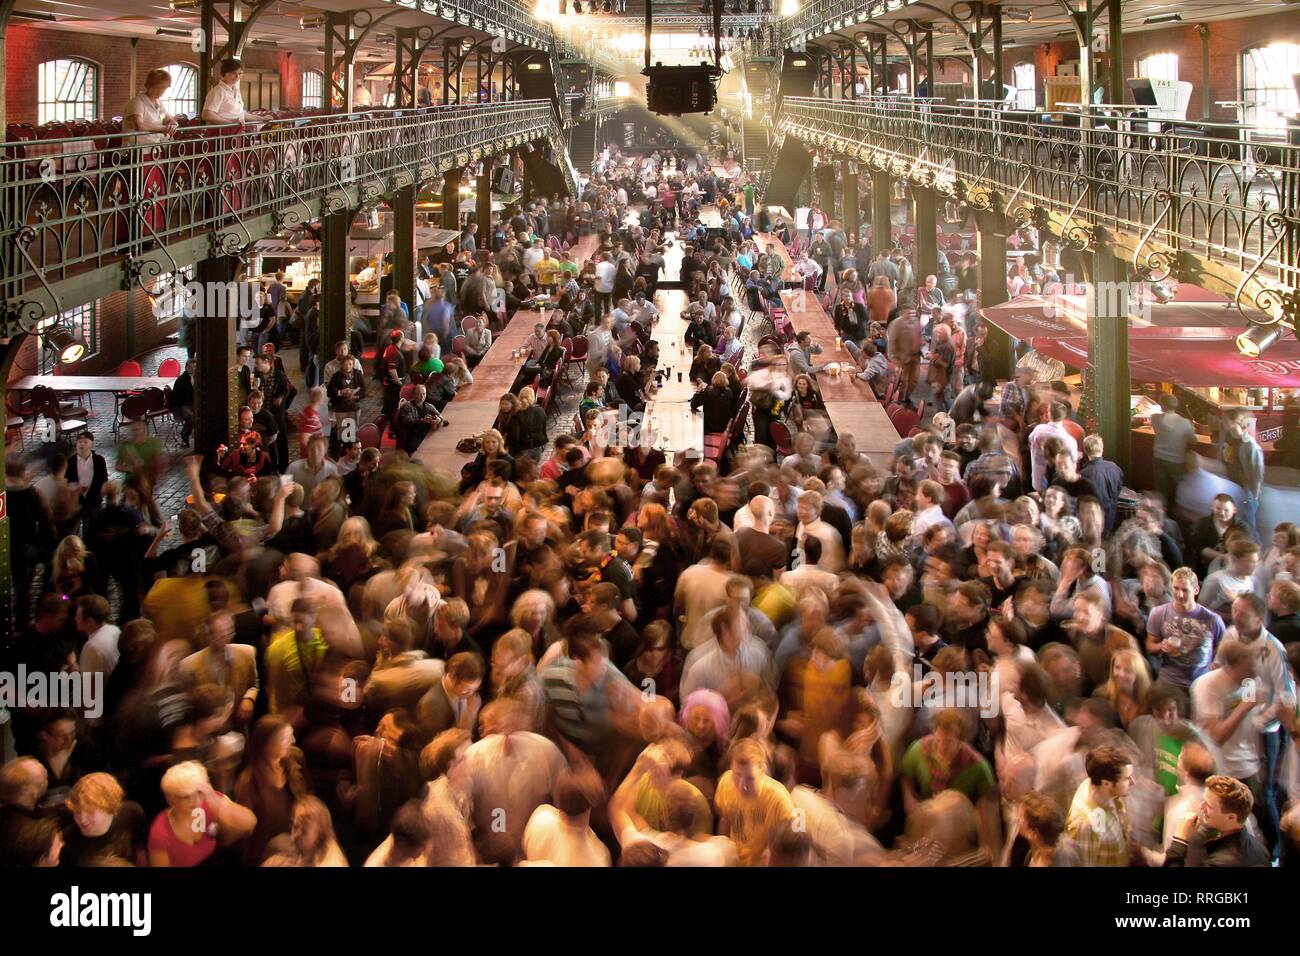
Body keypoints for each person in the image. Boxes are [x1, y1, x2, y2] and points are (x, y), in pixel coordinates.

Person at [124, 68, 179, 144]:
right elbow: (139, 125)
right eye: (159, 87)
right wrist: (164, 128)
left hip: (154, 147)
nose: (162, 91)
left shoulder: (158, 102)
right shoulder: (138, 102)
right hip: (137, 150)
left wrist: (173, 124)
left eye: (164, 88)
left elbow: (167, 119)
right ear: (150, 85)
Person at [201, 58, 249, 125]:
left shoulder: (236, 90)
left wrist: (263, 118)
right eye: (233, 73)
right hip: (221, 132)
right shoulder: (218, 91)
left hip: (235, 130)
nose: (237, 76)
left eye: (240, 73)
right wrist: (230, 123)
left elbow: (241, 114)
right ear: (224, 74)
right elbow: (207, 114)